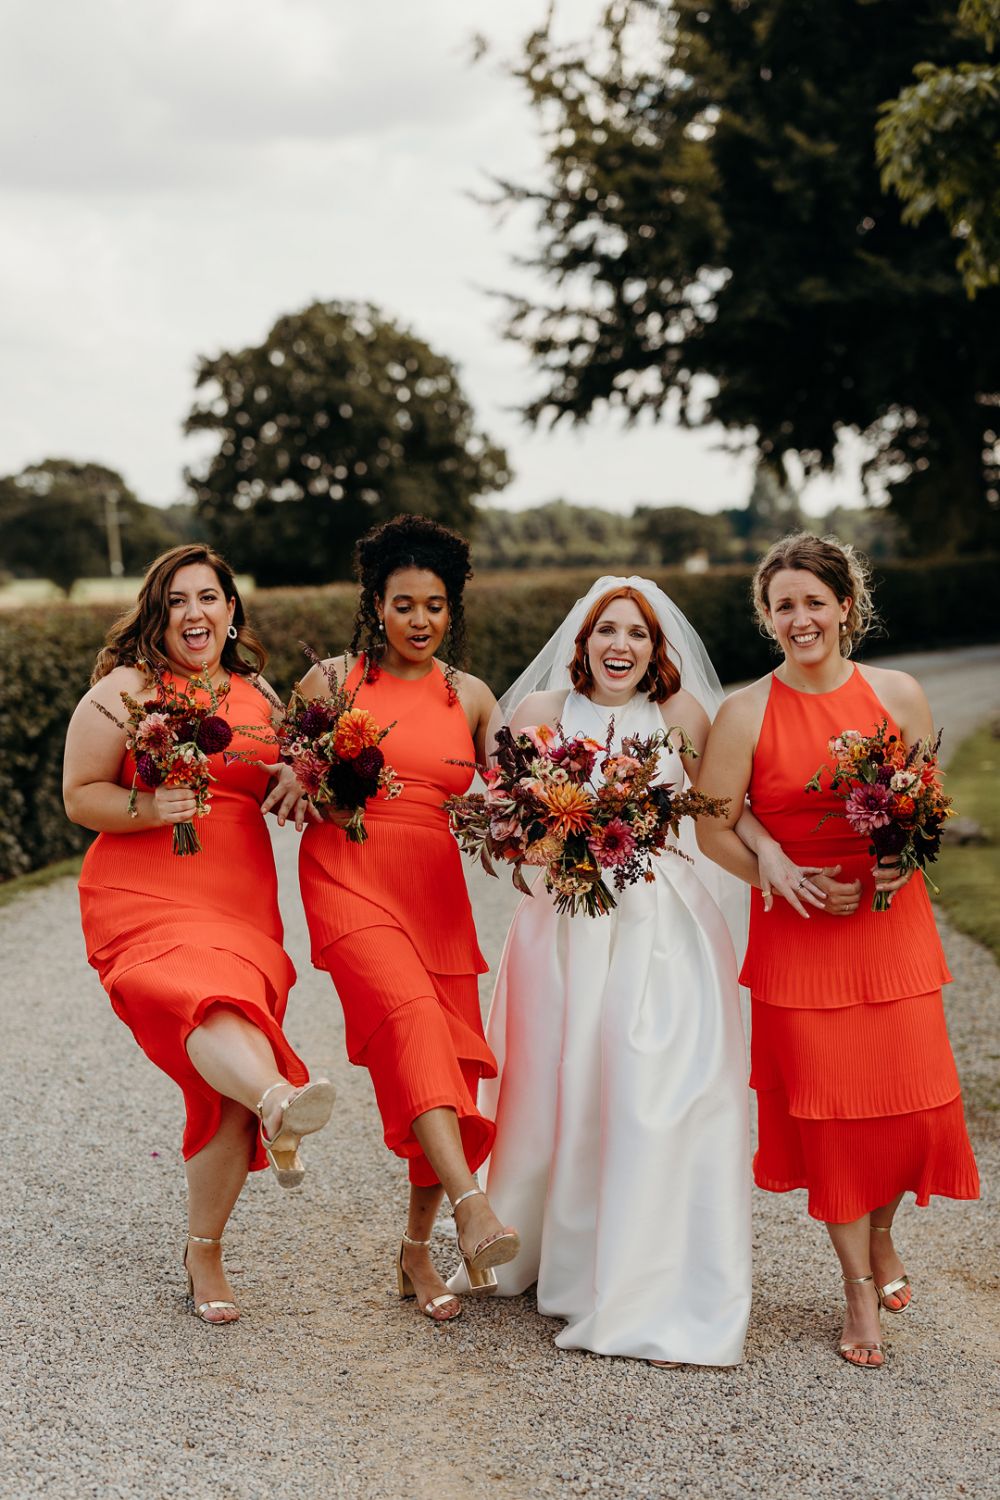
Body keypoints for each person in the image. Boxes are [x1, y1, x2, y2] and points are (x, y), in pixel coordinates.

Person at [454, 577, 754, 1367]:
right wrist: (545, 843)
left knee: (651, 1091)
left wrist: (777, 864)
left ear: (657, 649)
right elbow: (506, 820)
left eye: (638, 634)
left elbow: (720, 811)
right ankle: (542, 1248)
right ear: (581, 643)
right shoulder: (541, 712)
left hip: (662, 928)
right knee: (555, 1087)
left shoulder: (683, 716)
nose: (621, 645)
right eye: (607, 630)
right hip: (563, 929)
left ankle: (644, 1270)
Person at [696, 533, 980, 1368]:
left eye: (814, 602)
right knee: (831, 1120)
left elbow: (925, 805)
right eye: (783, 605)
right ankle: (857, 1289)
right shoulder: (745, 713)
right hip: (800, 940)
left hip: (891, 931)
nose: (801, 619)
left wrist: (907, 855)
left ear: (845, 606)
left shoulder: (898, 694)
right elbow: (712, 827)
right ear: (767, 615)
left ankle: (883, 1234)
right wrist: (774, 871)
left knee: (908, 1108)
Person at [64, 544, 335, 1326]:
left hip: (241, 906)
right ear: (157, 614)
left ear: (231, 611)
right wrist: (150, 808)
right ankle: (280, 1097)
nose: (194, 613)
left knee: (228, 1078)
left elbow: (293, 775)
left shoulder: (258, 695)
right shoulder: (124, 691)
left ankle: (206, 1243)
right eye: (177, 600)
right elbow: (79, 795)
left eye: (208, 598)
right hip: (142, 897)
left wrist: (296, 776)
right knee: (199, 999)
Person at [297, 514, 518, 1325]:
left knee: (447, 1063)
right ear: (375, 605)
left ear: (452, 608)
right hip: (347, 876)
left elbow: (511, 802)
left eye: (434, 605)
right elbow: (296, 785)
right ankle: (471, 1205)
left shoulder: (474, 697)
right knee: (414, 1019)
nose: (419, 620)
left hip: (435, 893)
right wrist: (314, 785)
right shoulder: (330, 682)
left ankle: (416, 1251)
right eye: (403, 605)